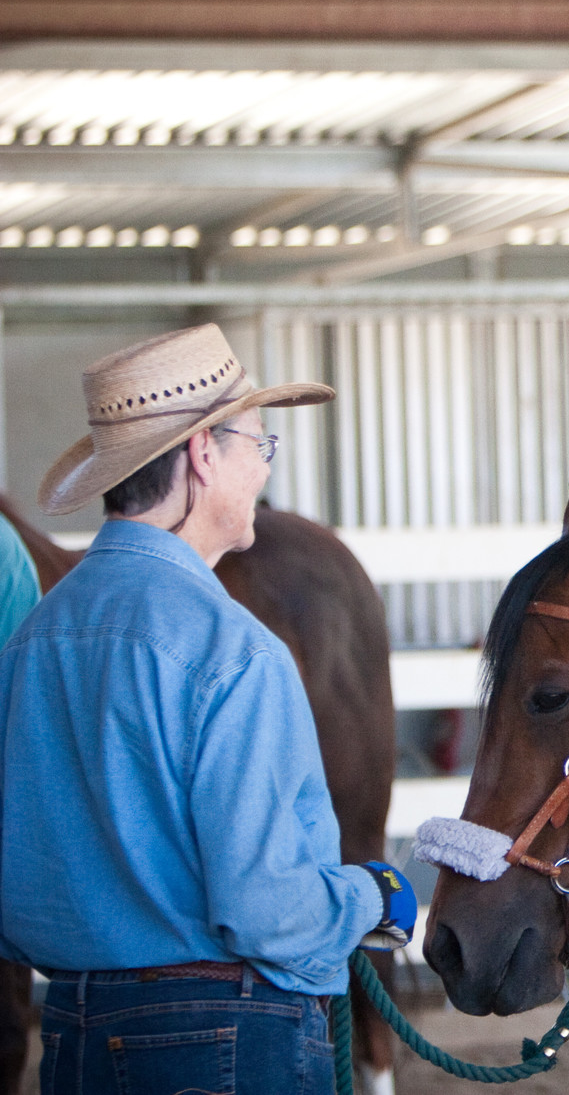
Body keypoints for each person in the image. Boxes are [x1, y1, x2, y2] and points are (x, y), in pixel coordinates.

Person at [0, 323, 415, 1094]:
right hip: (230, 1035)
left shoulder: (32, 641)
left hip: (74, 1037)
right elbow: (267, 909)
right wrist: (376, 895)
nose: (263, 465)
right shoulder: (235, 651)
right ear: (201, 455)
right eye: (259, 442)